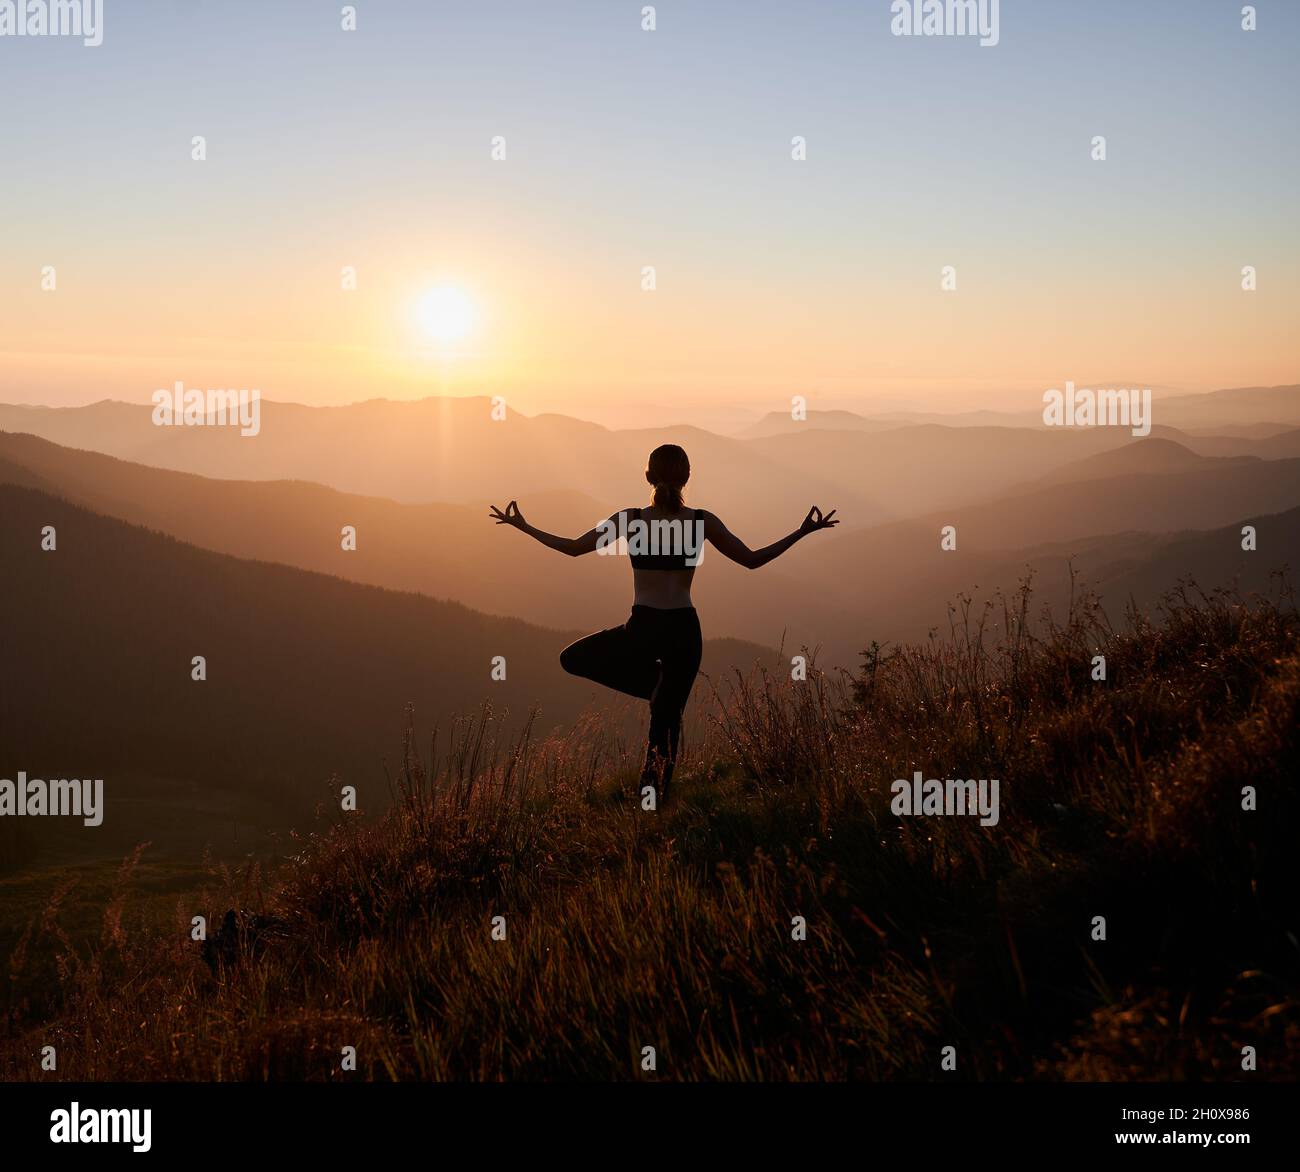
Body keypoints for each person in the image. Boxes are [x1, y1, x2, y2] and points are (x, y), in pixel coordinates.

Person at [490, 443, 838, 800]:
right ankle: (654, 799)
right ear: (687, 479)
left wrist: (525, 527)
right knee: (667, 722)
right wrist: (801, 532)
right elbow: (751, 560)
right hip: (685, 631)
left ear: (648, 477)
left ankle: (650, 774)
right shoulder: (702, 521)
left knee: (575, 659)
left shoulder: (631, 519)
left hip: (642, 628)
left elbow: (574, 547)